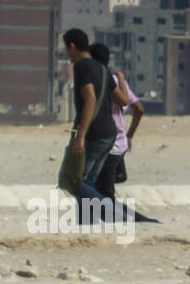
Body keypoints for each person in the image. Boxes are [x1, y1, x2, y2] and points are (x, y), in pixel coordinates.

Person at [61, 29, 121, 224]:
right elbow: (122, 99)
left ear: (71, 46)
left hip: (94, 135)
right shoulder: (102, 69)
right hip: (109, 133)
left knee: (74, 181)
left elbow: (90, 98)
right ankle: (87, 223)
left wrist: (80, 136)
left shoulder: (82, 67)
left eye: (66, 49)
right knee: (88, 182)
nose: (66, 54)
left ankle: (113, 212)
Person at [88, 42, 143, 202]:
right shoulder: (116, 81)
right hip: (118, 144)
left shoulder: (94, 82)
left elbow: (124, 102)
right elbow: (138, 109)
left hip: (103, 145)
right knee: (104, 185)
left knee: (102, 190)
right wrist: (129, 136)